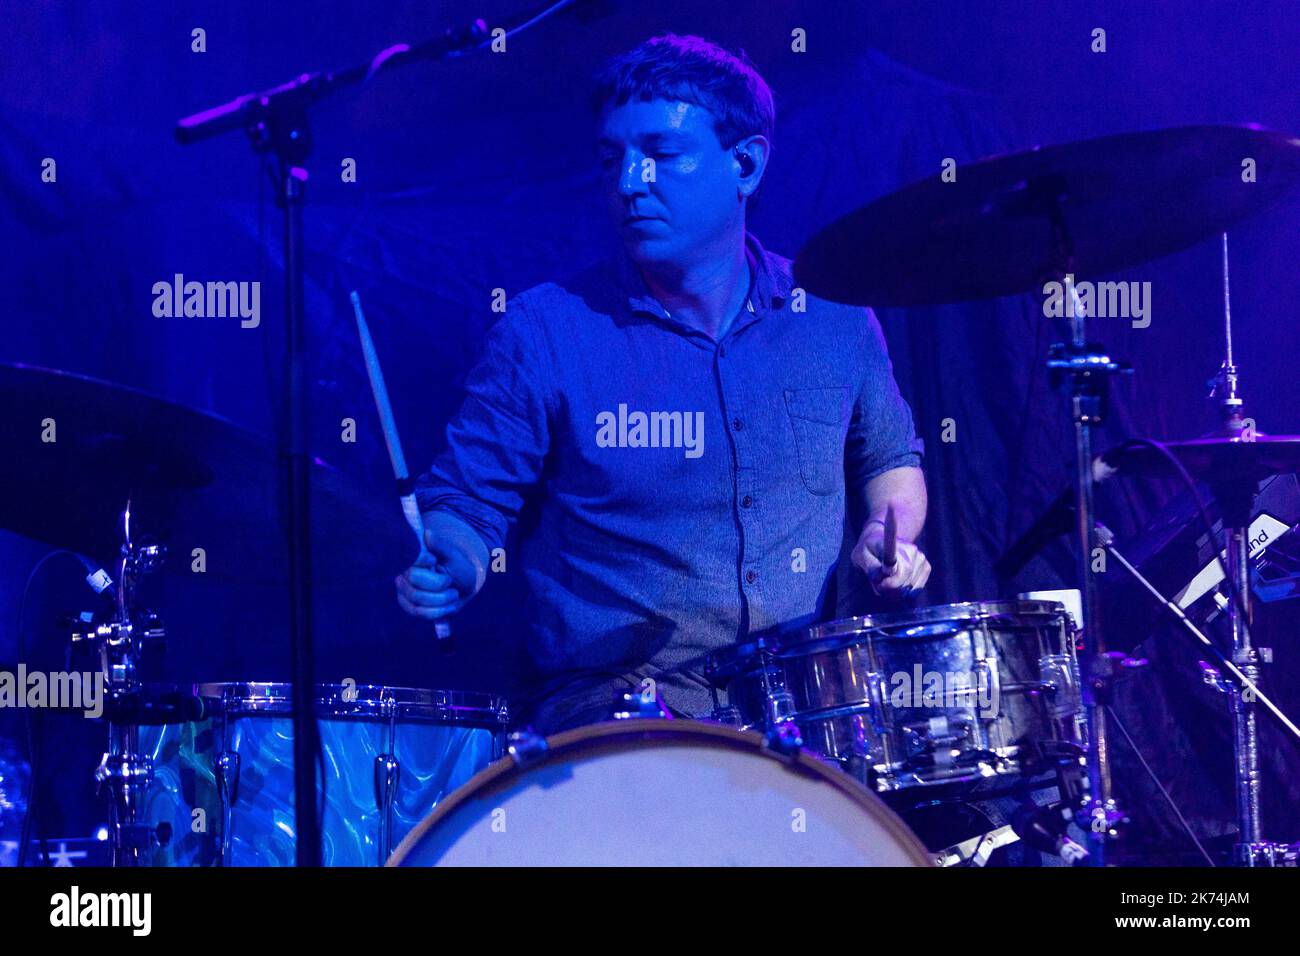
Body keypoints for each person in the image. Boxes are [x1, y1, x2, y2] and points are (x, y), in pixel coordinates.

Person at [397, 33, 929, 734]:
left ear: (745, 164)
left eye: (661, 155)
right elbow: (466, 502)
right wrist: (452, 561)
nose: (627, 183)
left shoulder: (832, 315)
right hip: (608, 709)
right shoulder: (544, 331)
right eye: (611, 158)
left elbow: (891, 461)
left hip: (802, 697)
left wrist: (885, 538)